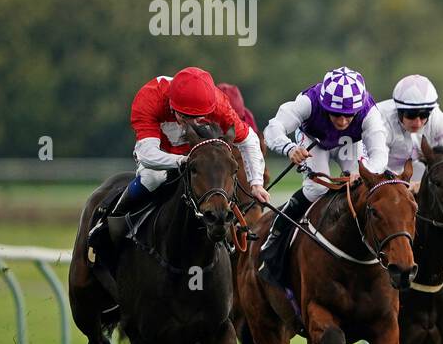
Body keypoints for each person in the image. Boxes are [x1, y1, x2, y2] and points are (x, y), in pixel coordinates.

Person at [87, 67, 268, 281]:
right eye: (185, 116)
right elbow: (147, 154)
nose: (190, 122)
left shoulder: (218, 103)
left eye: (197, 118)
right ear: (172, 105)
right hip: (161, 153)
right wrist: (184, 161)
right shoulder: (150, 97)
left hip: (198, 154)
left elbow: (249, 140)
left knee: (218, 182)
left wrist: (256, 183)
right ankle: (110, 220)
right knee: (153, 178)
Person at [258, 67, 389, 288]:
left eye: (349, 115)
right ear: (324, 104)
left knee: (360, 187)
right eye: (336, 113)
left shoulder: (369, 112)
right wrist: (289, 148)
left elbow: (380, 154)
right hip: (314, 141)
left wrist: (365, 172)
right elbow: (273, 129)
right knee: (316, 189)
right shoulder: (308, 102)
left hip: (349, 143)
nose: (342, 121)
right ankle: (276, 237)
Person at [375, 73, 443, 278]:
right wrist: (402, 186)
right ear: (398, 110)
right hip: (383, 178)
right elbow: (374, 163)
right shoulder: (380, 119)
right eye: (411, 116)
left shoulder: (436, 117)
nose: (418, 121)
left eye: (423, 115)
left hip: (418, 176)